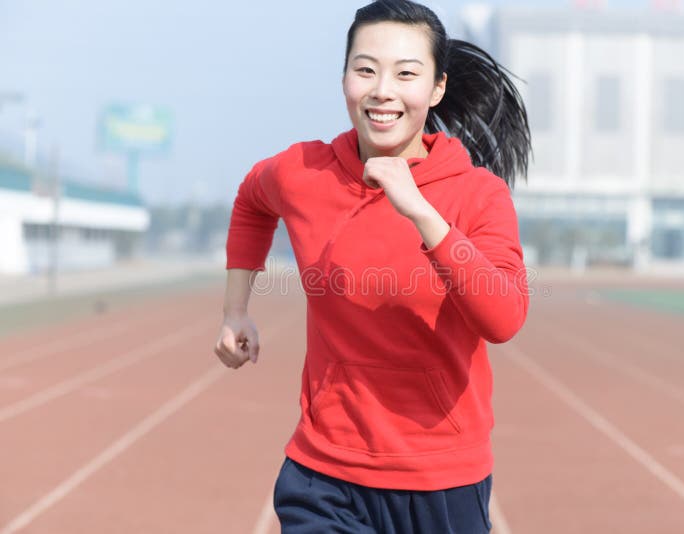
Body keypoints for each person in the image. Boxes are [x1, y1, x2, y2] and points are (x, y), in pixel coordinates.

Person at [214, 1, 531, 531]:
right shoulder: (304, 172)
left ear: (436, 88)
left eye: (406, 74)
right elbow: (252, 199)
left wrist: (422, 214)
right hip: (325, 475)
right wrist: (234, 311)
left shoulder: (479, 195)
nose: (383, 90)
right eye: (365, 70)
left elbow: (504, 320)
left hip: (442, 482)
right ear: (344, 78)